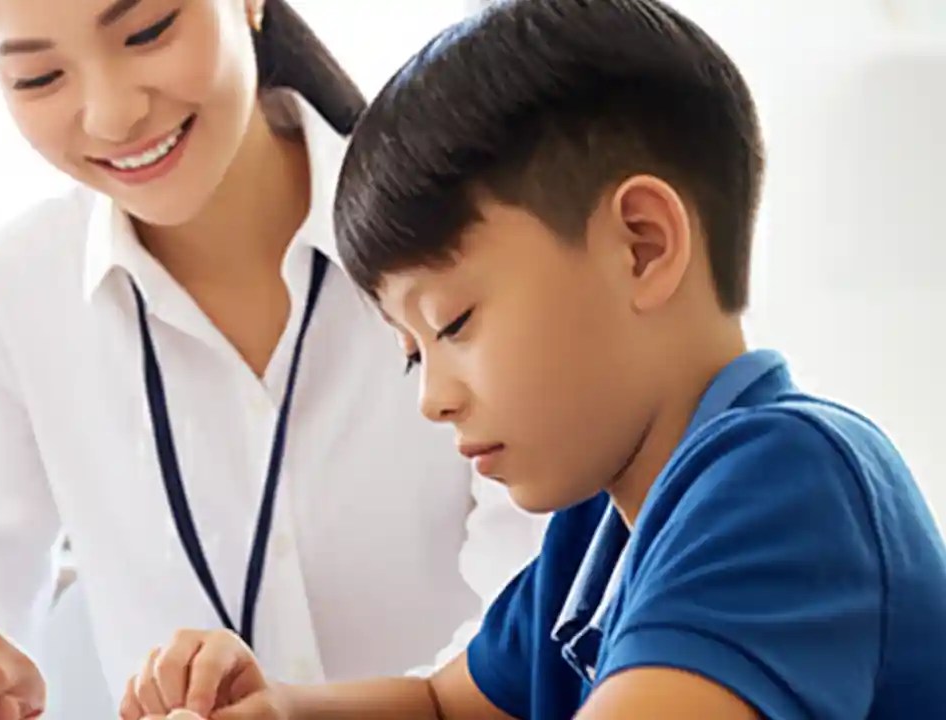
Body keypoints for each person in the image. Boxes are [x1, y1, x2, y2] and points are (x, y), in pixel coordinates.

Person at [118, 0, 946, 717]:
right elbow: (445, 706)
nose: (432, 399)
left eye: (456, 323)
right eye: (412, 356)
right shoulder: (597, 530)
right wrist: (282, 711)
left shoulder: (786, 481)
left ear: (641, 246)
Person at [0, 0, 545, 718]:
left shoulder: (465, 234)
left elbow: (535, 618)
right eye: (39, 78)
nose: (113, 114)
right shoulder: (14, 292)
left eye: (148, 30)